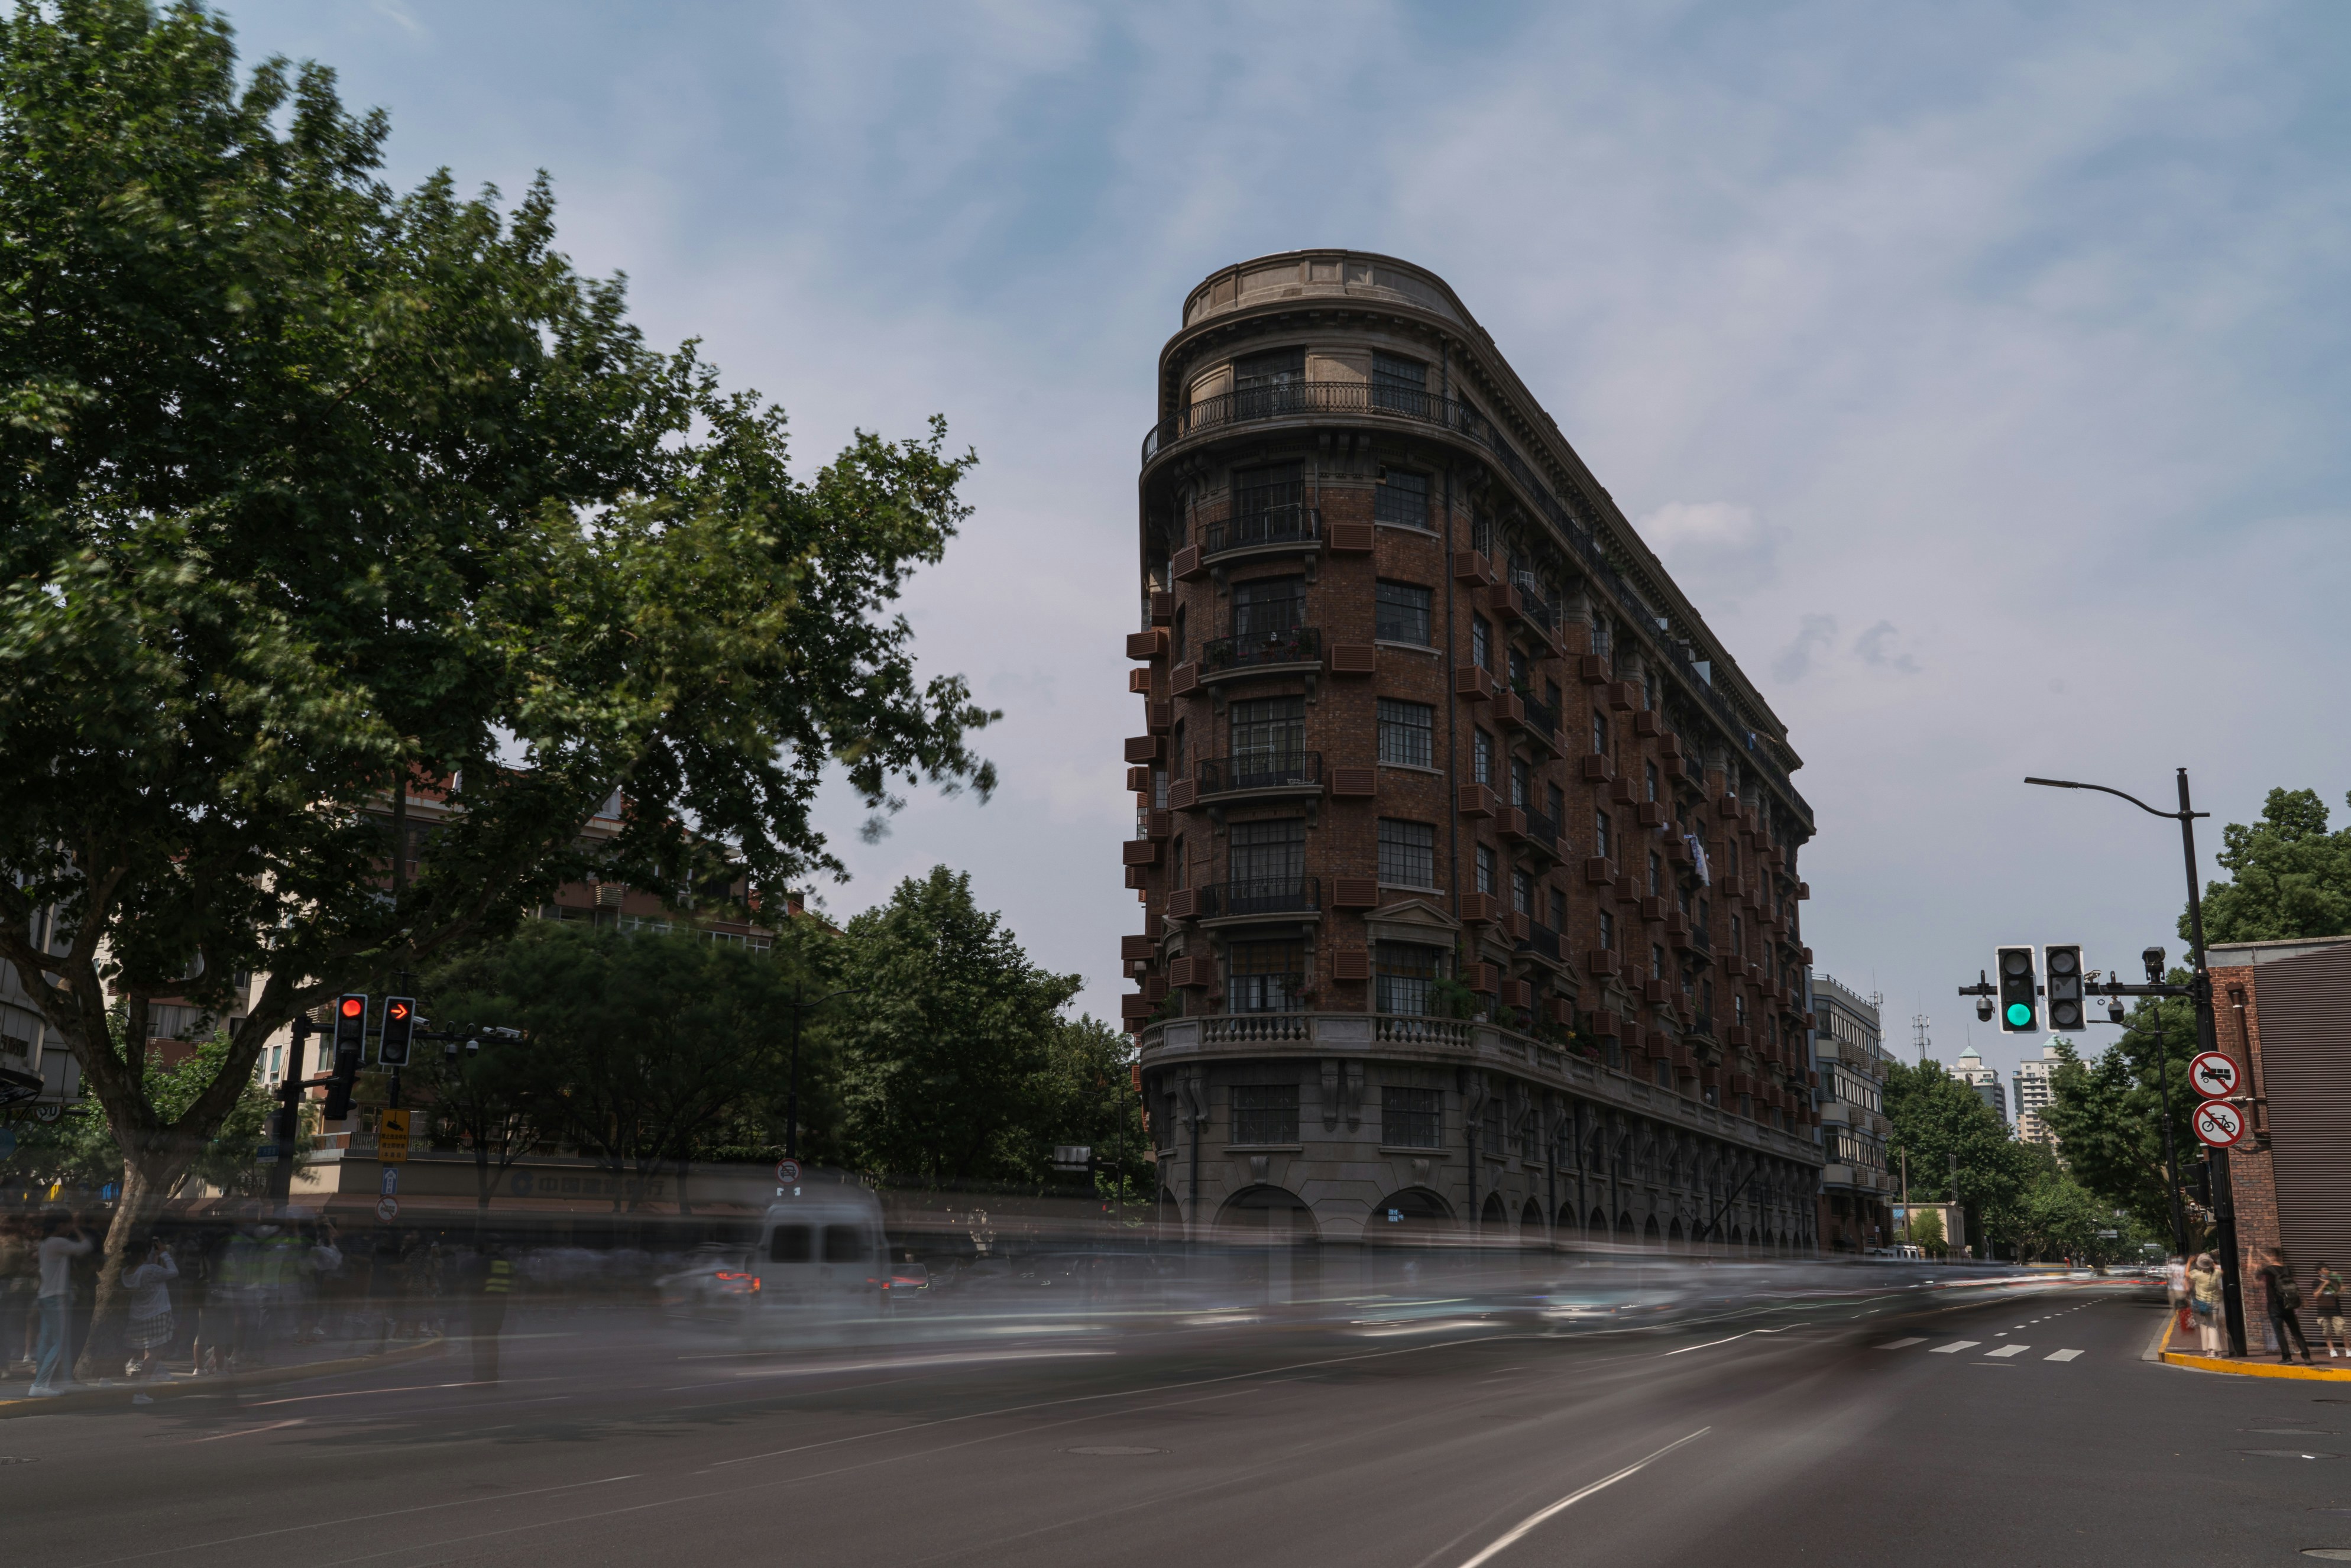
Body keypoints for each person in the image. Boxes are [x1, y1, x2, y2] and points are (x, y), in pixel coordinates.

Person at [29, 1210, 92, 1397]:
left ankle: (40, 1382)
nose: (69, 1228)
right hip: (57, 1298)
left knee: (46, 1341)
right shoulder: (58, 1242)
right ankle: (40, 1384)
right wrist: (78, 1230)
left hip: (45, 1297)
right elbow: (85, 1247)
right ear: (60, 1225)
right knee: (60, 1343)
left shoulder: (45, 1243)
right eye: (68, 1224)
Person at [120, 1237, 179, 1401]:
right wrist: (165, 1254)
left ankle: (139, 1372)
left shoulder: (125, 1273)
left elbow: (144, 1263)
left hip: (138, 1317)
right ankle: (140, 1392)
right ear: (142, 1256)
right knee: (152, 1355)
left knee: (143, 1352)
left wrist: (154, 1251)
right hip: (157, 1315)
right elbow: (174, 1272)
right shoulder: (150, 1270)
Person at [468, 1242, 515, 1384]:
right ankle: (492, 1376)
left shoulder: (483, 1262)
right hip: (500, 1308)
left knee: (478, 1343)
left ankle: (480, 1378)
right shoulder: (506, 1262)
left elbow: (476, 1285)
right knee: (492, 1343)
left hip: (482, 1308)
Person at [2260, 1248, 2314, 1365]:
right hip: (2289, 1304)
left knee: (2280, 1332)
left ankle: (2287, 1358)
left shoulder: (2267, 1270)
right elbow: (2295, 1284)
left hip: (2274, 1305)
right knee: (2296, 1331)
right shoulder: (2287, 1269)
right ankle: (2306, 1357)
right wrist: (2303, 1299)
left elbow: (2258, 1282)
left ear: (2272, 1256)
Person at [2189, 1252, 2224, 1355]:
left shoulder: (2197, 1274)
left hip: (2202, 1304)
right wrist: (2212, 1263)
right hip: (2214, 1303)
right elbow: (2221, 1271)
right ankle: (2213, 1350)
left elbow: (2187, 1274)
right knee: (2213, 1326)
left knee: (2205, 1325)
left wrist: (2189, 1262)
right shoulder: (2216, 1274)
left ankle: (2209, 1349)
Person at [2312, 1263, 2347, 1360]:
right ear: (2319, 1272)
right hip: (2323, 1311)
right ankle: (2332, 1350)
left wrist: (2341, 1290)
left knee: (2342, 1330)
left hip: (2336, 1310)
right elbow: (2316, 1296)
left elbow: (2336, 1295)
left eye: (2328, 1270)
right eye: (2325, 1270)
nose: (2327, 1271)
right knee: (2327, 1332)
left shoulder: (2334, 1281)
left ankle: (2348, 1350)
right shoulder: (2315, 1282)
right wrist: (2324, 1284)